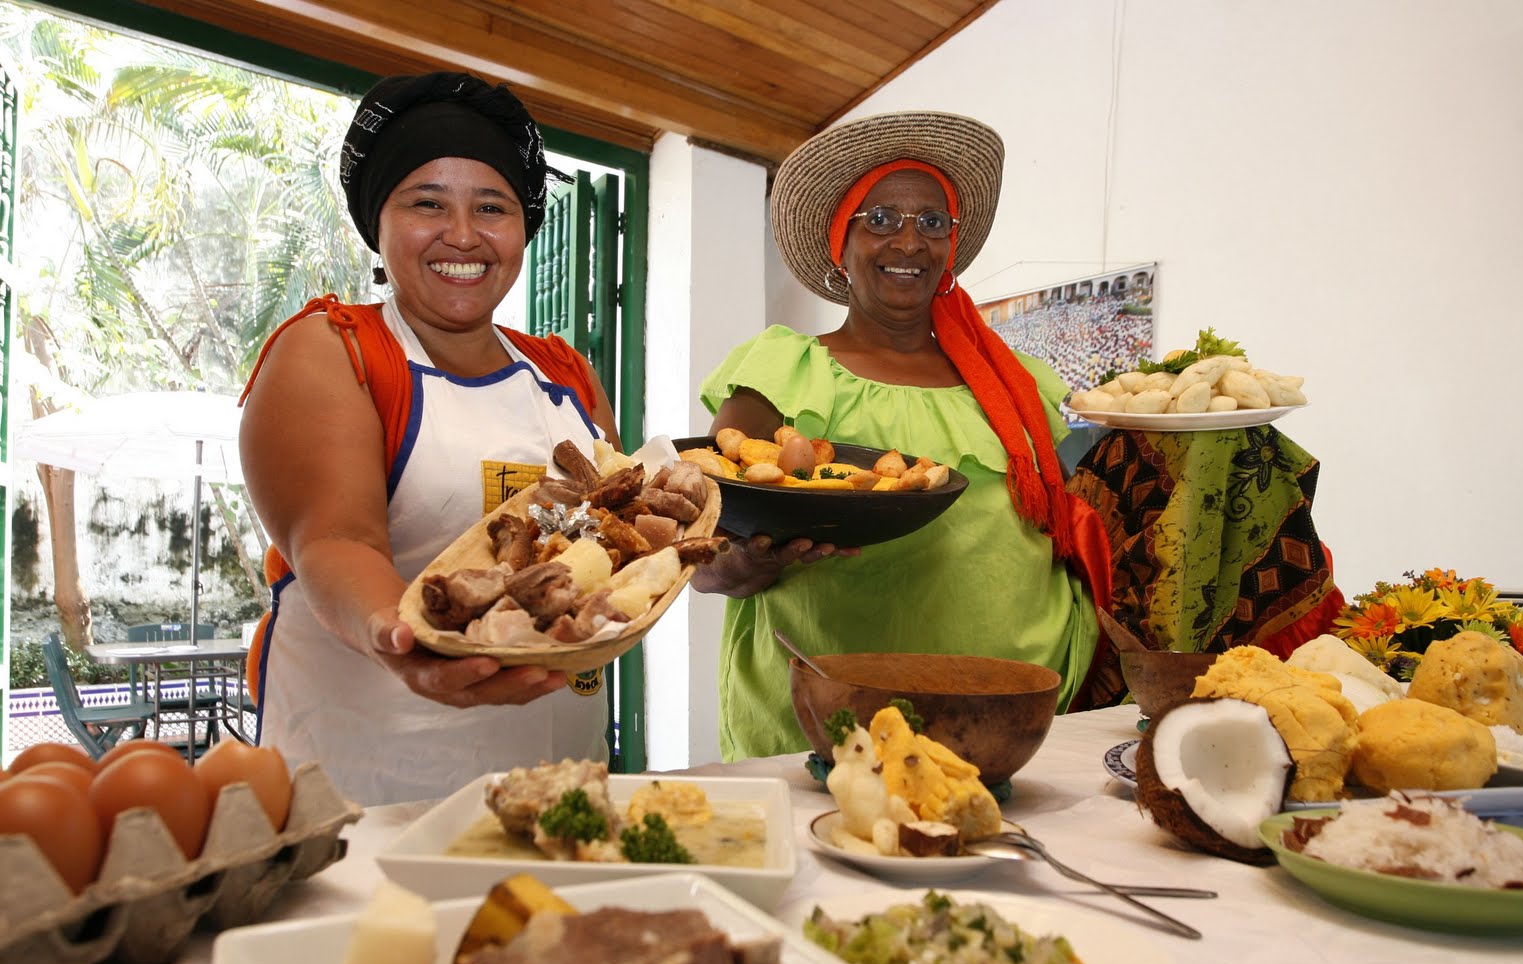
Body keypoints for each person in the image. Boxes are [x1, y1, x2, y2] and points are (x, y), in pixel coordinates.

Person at [238, 72, 622, 805]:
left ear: (522, 229)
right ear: (378, 223)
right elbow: (335, 541)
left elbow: (616, 533)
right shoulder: (337, 350)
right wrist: (408, 637)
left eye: (492, 207)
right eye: (427, 204)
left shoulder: (565, 374)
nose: (464, 235)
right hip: (370, 796)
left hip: (556, 785)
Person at [693, 110, 1113, 762]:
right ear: (841, 244)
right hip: (840, 722)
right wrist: (746, 563)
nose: (909, 241)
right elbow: (699, 546)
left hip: (1011, 714)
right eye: (881, 220)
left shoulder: (1012, 382)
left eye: (932, 221)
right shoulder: (786, 369)